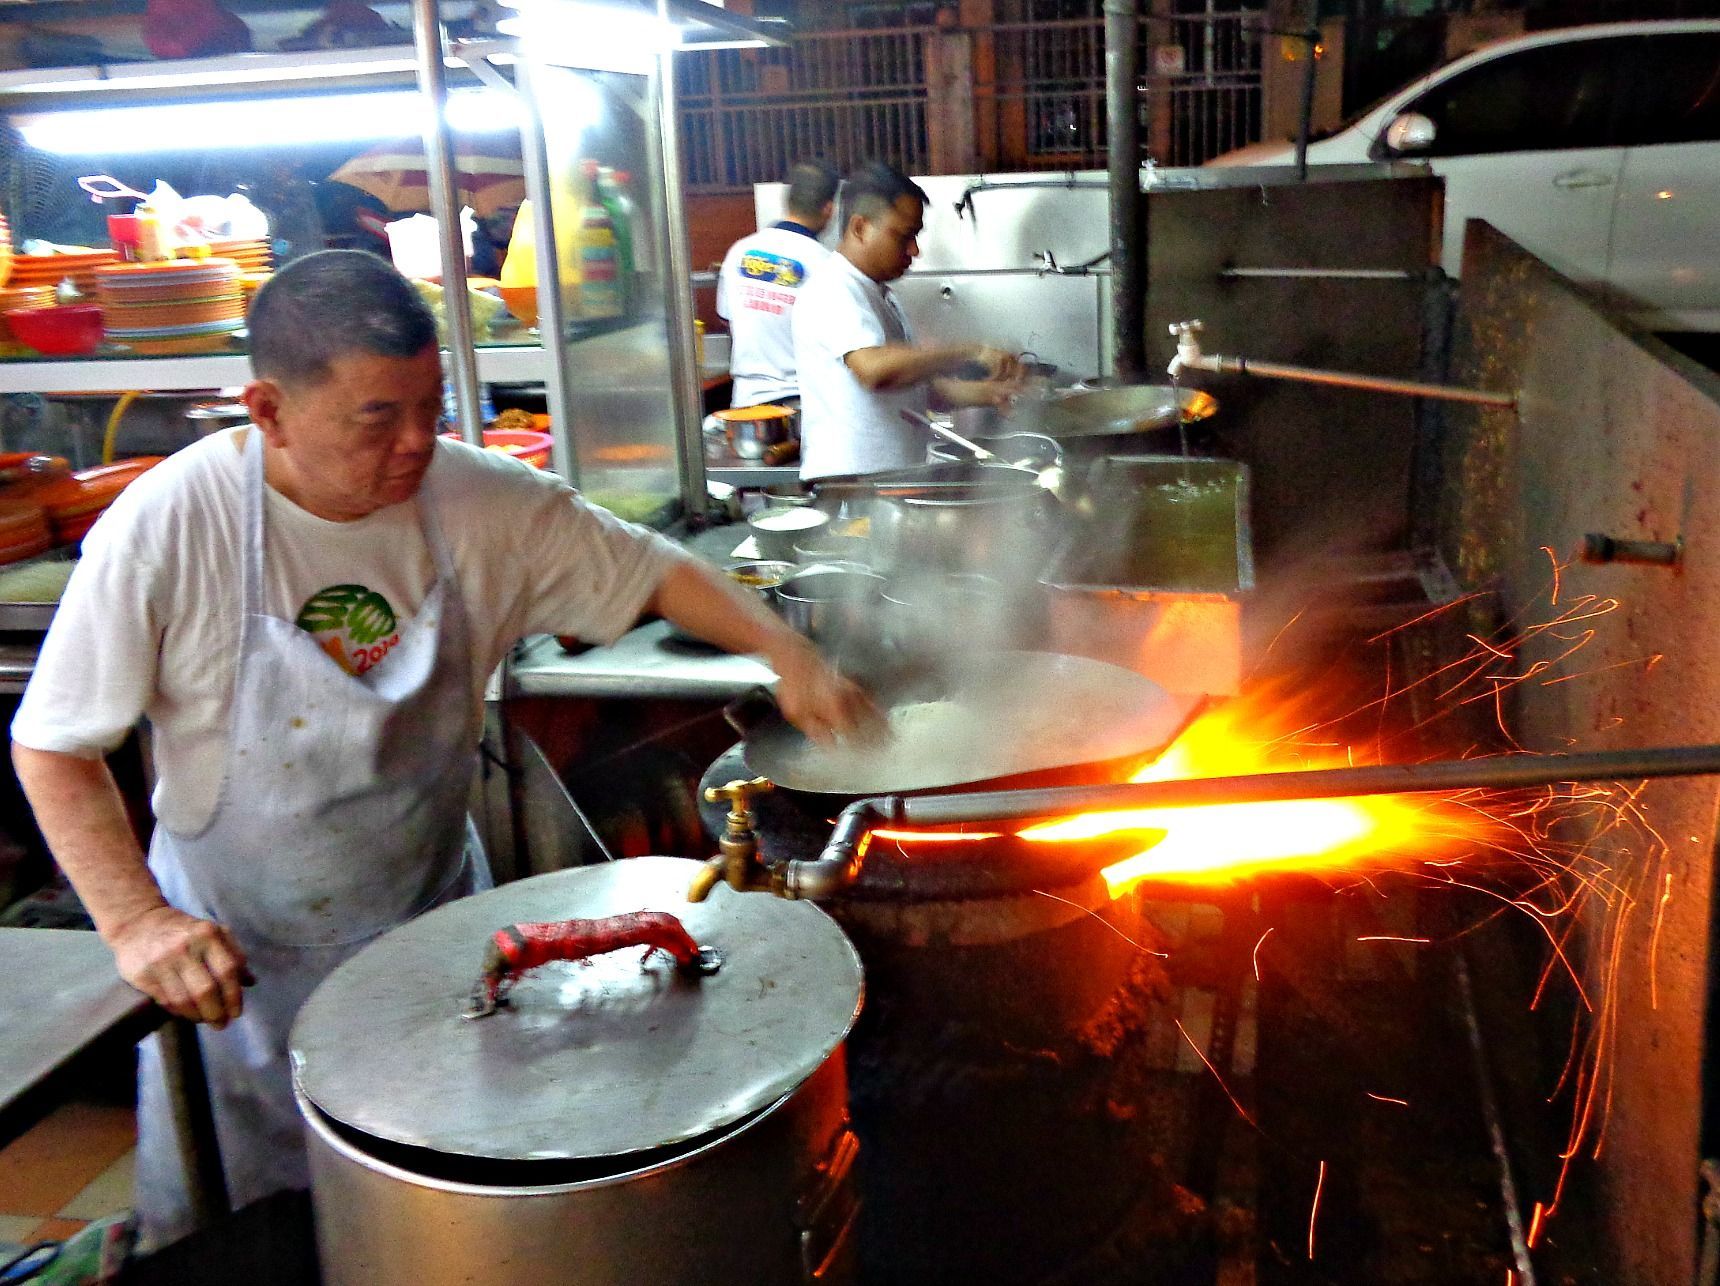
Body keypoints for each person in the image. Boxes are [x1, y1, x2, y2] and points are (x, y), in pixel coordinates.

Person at [9, 249, 871, 1250]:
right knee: (246, 1241)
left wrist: (787, 653)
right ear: (270, 409)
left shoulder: (474, 498)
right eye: (377, 415)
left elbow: (655, 570)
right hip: (238, 969)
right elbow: (53, 746)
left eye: (433, 404)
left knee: (430, 1228)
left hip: (431, 941)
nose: (417, 441)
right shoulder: (171, 524)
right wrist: (136, 922)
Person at [792, 161, 1022, 483]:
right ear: (860, 228)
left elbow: (920, 391)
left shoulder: (881, 296)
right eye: (904, 236)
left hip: (886, 485)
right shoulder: (832, 289)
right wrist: (970, 351)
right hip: (850, 490)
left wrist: (991, 394)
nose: (914, 250)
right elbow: (875, 371)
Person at [714, 160, 840, 409]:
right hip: (804, 405)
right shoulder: (827, 265)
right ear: (829, 209)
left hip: (747, 405)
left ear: (788, 201)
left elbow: (726, 319)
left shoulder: (739, 251)